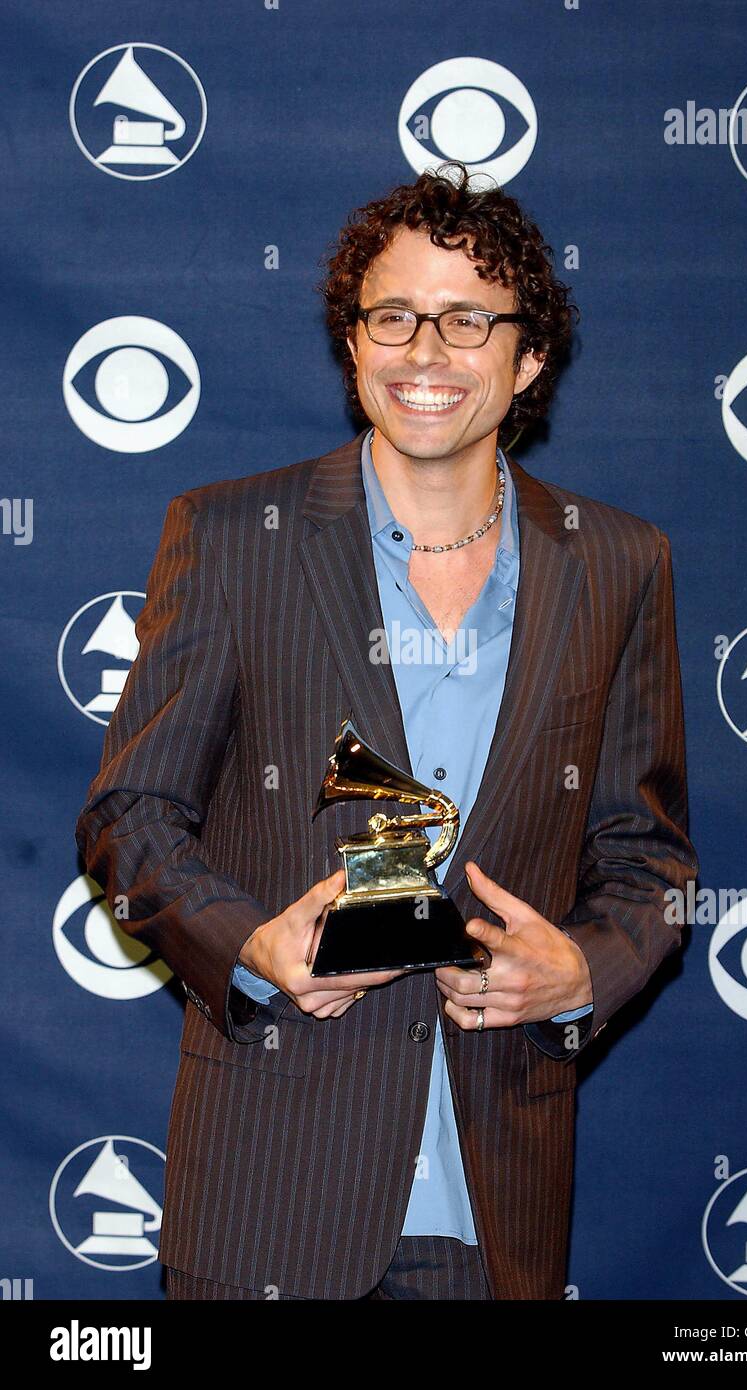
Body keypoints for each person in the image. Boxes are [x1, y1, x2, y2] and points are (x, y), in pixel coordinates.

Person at [75, 161, 698, 1301]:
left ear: (529, 359)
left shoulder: (618, 563)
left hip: (496, 1206)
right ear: (353, 344)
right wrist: (251, 946)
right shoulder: (230, 537)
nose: (425, 353)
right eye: (394, 316)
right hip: (272, 1193)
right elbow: (130, 818)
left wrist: (579, 971)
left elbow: (648, 859)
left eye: (468, 321)